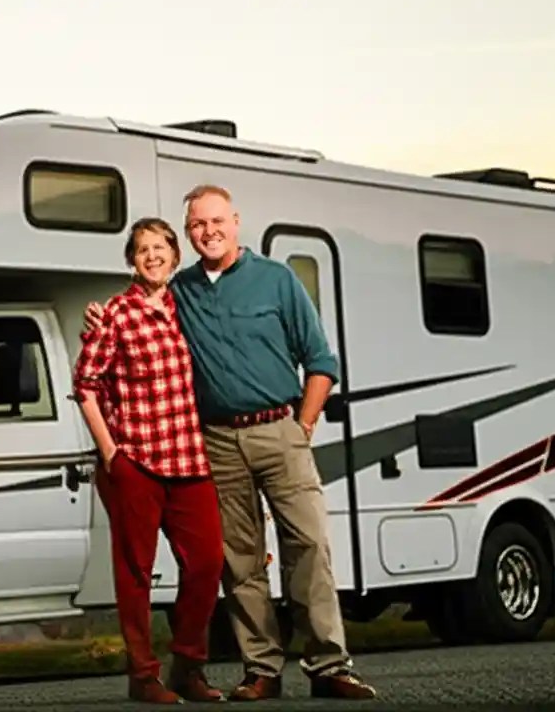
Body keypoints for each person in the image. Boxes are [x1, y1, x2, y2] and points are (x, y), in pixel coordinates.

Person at [84, 185, 378, 701]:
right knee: (239, 561)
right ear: (187, 236)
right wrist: (99, 316)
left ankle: (329, 665)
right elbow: (133, 311)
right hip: (215, 440)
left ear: (236, 221)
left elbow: (321, 362)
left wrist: (302, 428)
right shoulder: (182, 291)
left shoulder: (277, 279)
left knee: (308, 546)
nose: (208, 231)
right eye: (197, 224)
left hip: (280, 429)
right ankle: (261, 669)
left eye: (216, 221)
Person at [72, 216, 227, 705]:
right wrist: (111, 453)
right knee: (135, 573)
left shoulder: (189, 308)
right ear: (132, 260)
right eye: (143, 249)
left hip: (188, 459)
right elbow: (86, 384)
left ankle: (188, 665)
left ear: (176, 257)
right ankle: (143, 675)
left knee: (207, 563)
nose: (153, 255)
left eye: (161, 247)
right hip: (135, 460)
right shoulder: (117, 313)